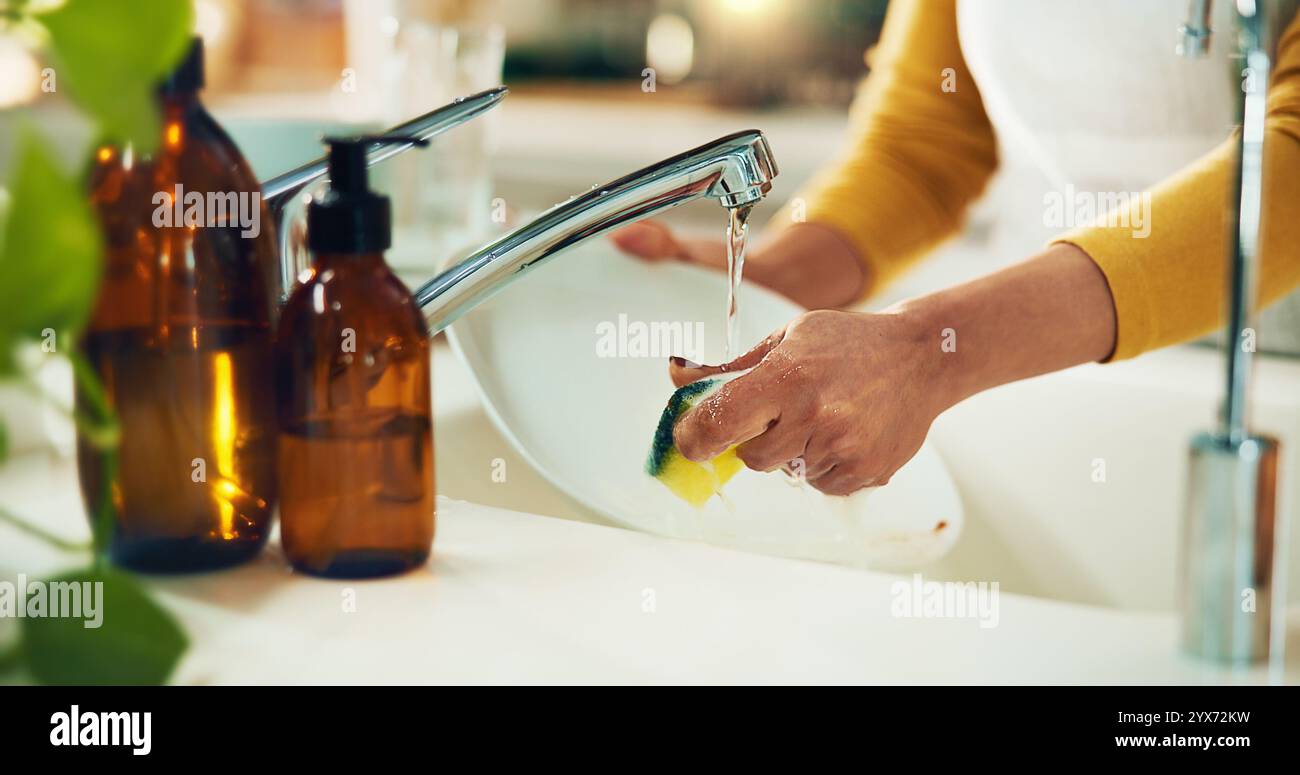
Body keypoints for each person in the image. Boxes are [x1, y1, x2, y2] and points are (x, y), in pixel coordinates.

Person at [611, 0, 1300, 496]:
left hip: (1272, 375)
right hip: (1033, 364)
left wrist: (927, 349)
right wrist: (770, 276)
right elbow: (924, 140)